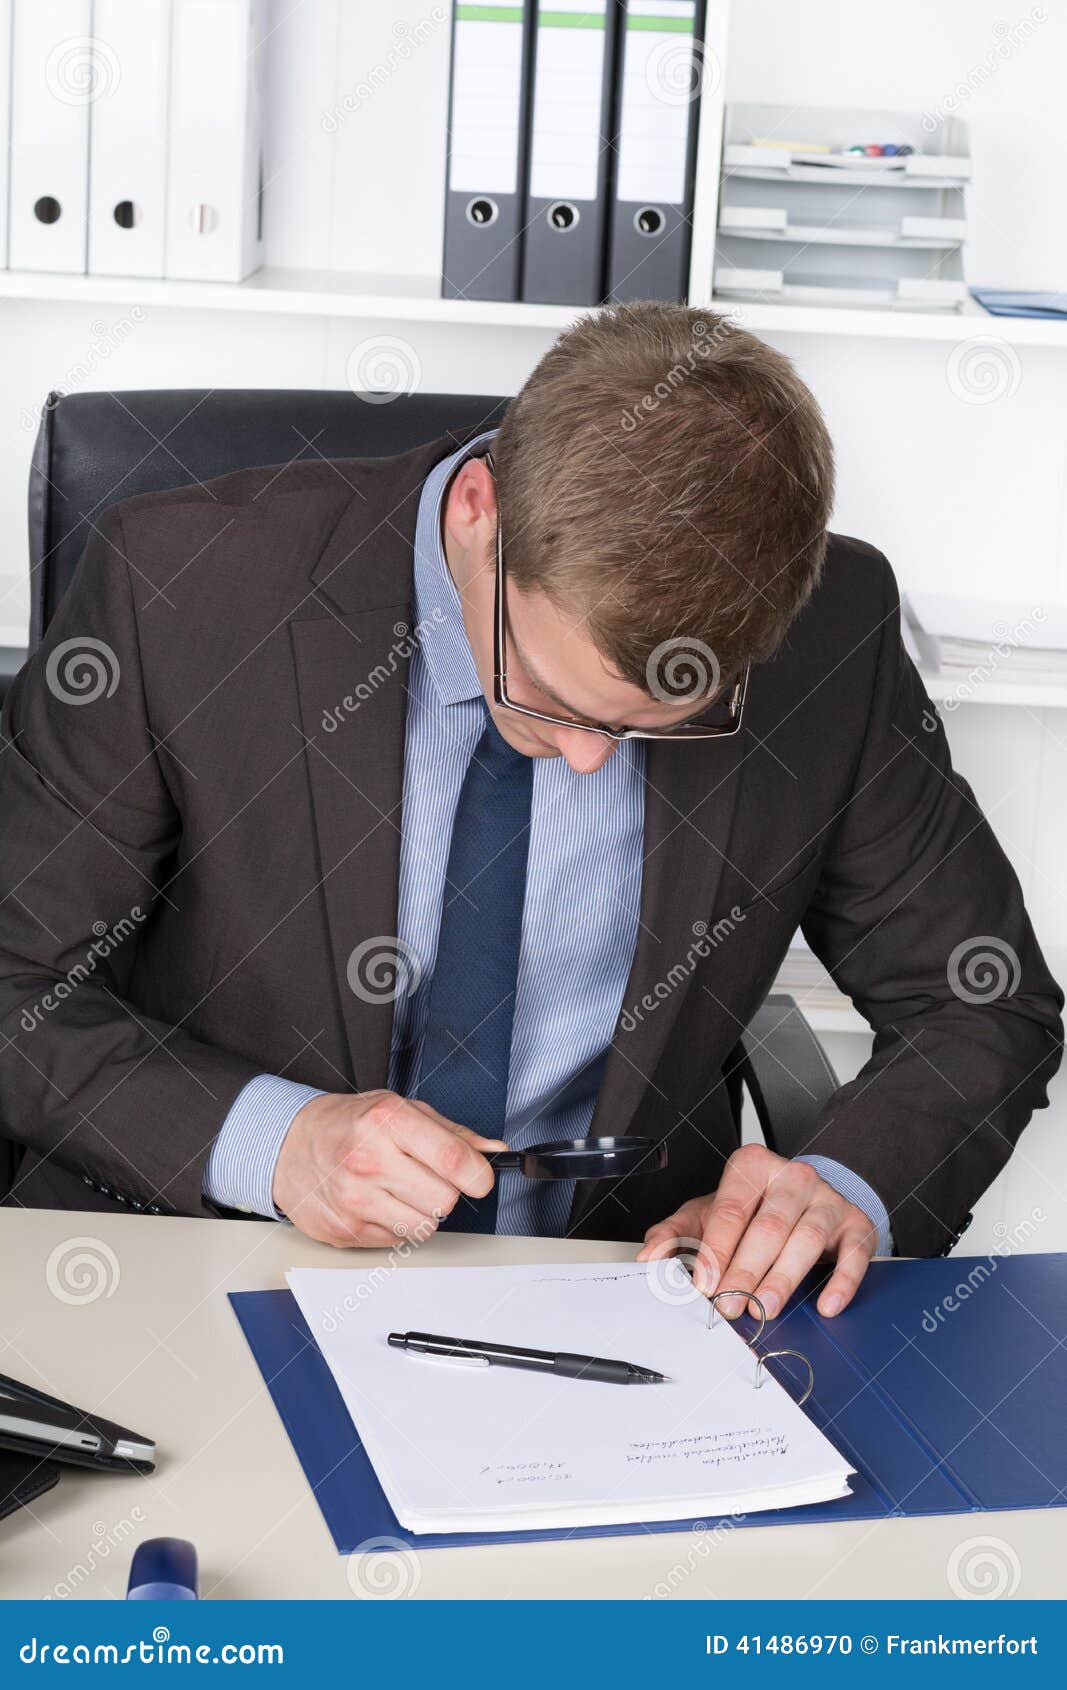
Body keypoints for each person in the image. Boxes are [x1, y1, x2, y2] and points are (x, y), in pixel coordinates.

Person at [0, 302, 1060, 1324]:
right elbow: (15, 981)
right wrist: (270, 1140)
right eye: (542, 697)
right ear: (477, 512)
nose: (592, 757)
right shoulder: (179, 585)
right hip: (213, 1259)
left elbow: (979, 1002)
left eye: (656, 723)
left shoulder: (829, 631)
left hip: (628, 1291)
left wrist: (838, 1183)